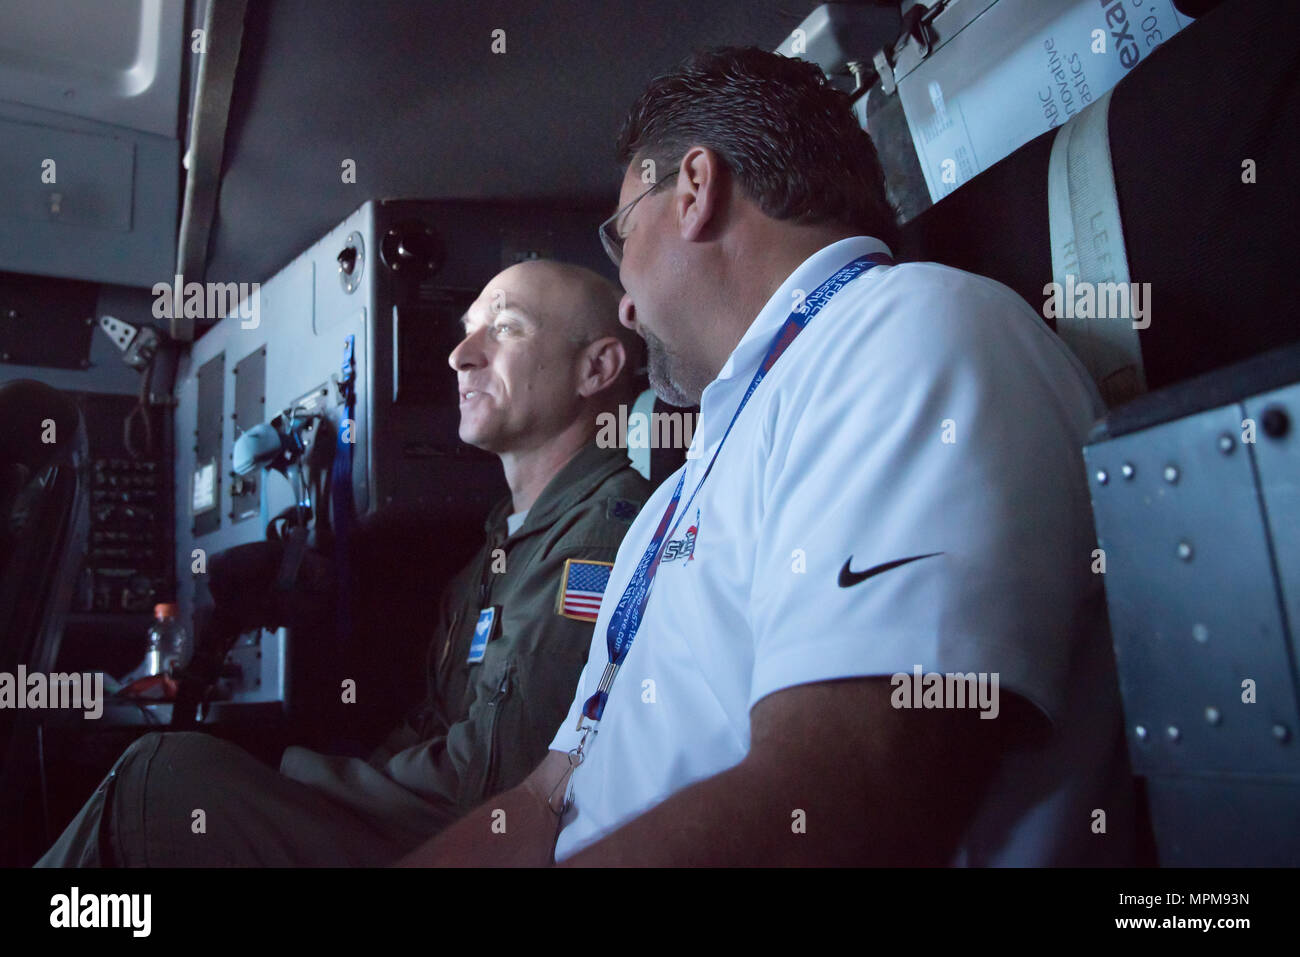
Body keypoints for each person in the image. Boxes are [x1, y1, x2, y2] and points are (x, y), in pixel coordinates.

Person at [396, 47, 1135, 867]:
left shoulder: (909, 332)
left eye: (621, 237)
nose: (628, 302)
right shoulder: (686, 485)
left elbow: (839, 799)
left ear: (693, 190)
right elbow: (546, 796)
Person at [35, 259, 651, 866]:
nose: (461, 354)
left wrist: (300, 781)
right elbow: (430, 726)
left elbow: (491, 789)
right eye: (468, 328)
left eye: (507, 327)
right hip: (428, 823)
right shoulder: (502, 541)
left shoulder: (598, 542)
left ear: (596, 368)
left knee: (161, 779)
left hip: (475, 843)